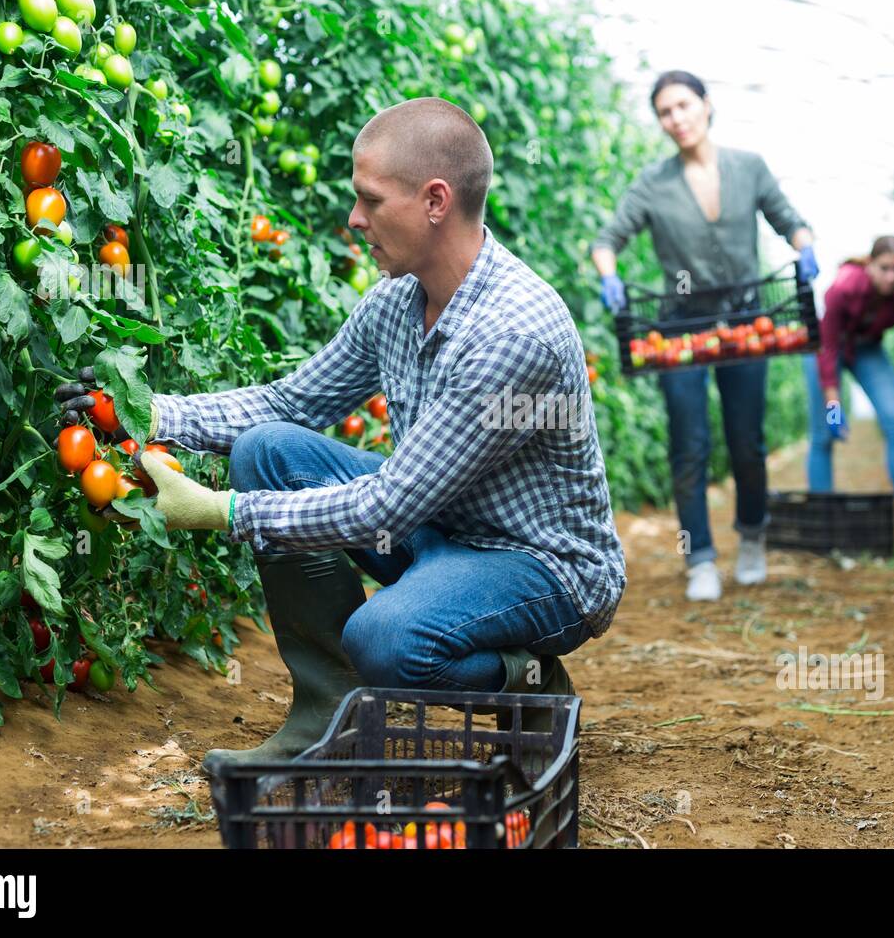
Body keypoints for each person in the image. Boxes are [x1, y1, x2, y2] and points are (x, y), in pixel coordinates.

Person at [55, 98, 626, 766]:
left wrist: (220, 511)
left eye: (370, 200)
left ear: (435, 200)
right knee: (268, 449)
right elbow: (291, 402)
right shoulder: (397, 300)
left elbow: (386, 506)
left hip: (540, 566)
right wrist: (147, 414)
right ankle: (330, 711)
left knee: (386, 640)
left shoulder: (512, 334)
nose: (355, 219)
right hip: (441, 529)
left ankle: (533, 687)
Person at [591, 70, 816, 602]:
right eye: (666, 112)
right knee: (688, 442)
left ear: (707, 106)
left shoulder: (748, 167)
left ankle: (753, 537)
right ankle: (700, 559)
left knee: (747, 440)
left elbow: (789, 219)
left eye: (684, 105)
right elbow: (609, 238)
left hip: (746, 320)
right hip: (681, 328)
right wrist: (608, 275)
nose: (677, 119)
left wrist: (804, 246)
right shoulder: (653, 183)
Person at [800, 235, 894, 539]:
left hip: (867, 349)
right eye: (884, 268)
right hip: (827, 348)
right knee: (824, 432)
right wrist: (833, 403)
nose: (892, 277)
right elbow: (827, 348)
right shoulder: (843, 288)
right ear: (870, 265)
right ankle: (822, 518)